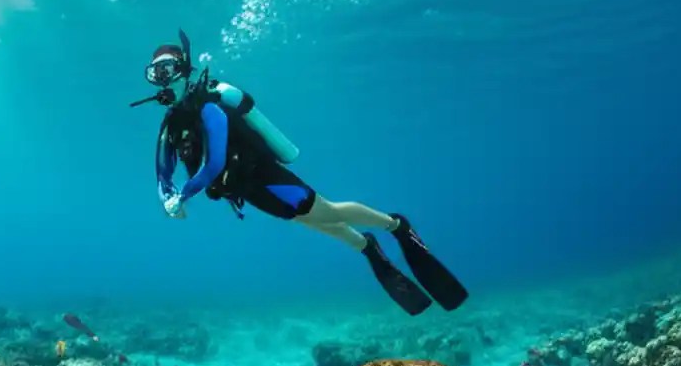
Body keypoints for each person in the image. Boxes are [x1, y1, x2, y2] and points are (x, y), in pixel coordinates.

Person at [131, 30, 467, 315]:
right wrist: (167, 198)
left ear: (183, 69)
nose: (162, 79)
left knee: (329, 212)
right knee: (312, 222)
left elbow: (215, 164)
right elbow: (163, 171)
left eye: (167, 69)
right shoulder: (173, 122)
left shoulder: (209, 108)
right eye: (155, 73)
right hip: (250, 192)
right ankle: (367, 247)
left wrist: (183, 196)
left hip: (268, 178)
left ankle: (396, 225)